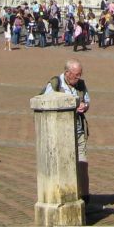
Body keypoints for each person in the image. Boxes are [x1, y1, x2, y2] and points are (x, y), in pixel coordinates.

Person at [44, 60, 91, 204]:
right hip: (61, 134)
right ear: (67, 73)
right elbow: (46, 104)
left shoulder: (81, 85)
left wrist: (85, 106)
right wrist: (70, 107)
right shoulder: (54, 85)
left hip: (78, 130)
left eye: (80, 75)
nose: (78, 78)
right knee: (65, 165)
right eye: (76, 75)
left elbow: (88, 101)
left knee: (82, 164)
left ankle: (85, 198)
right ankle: (65, 195)